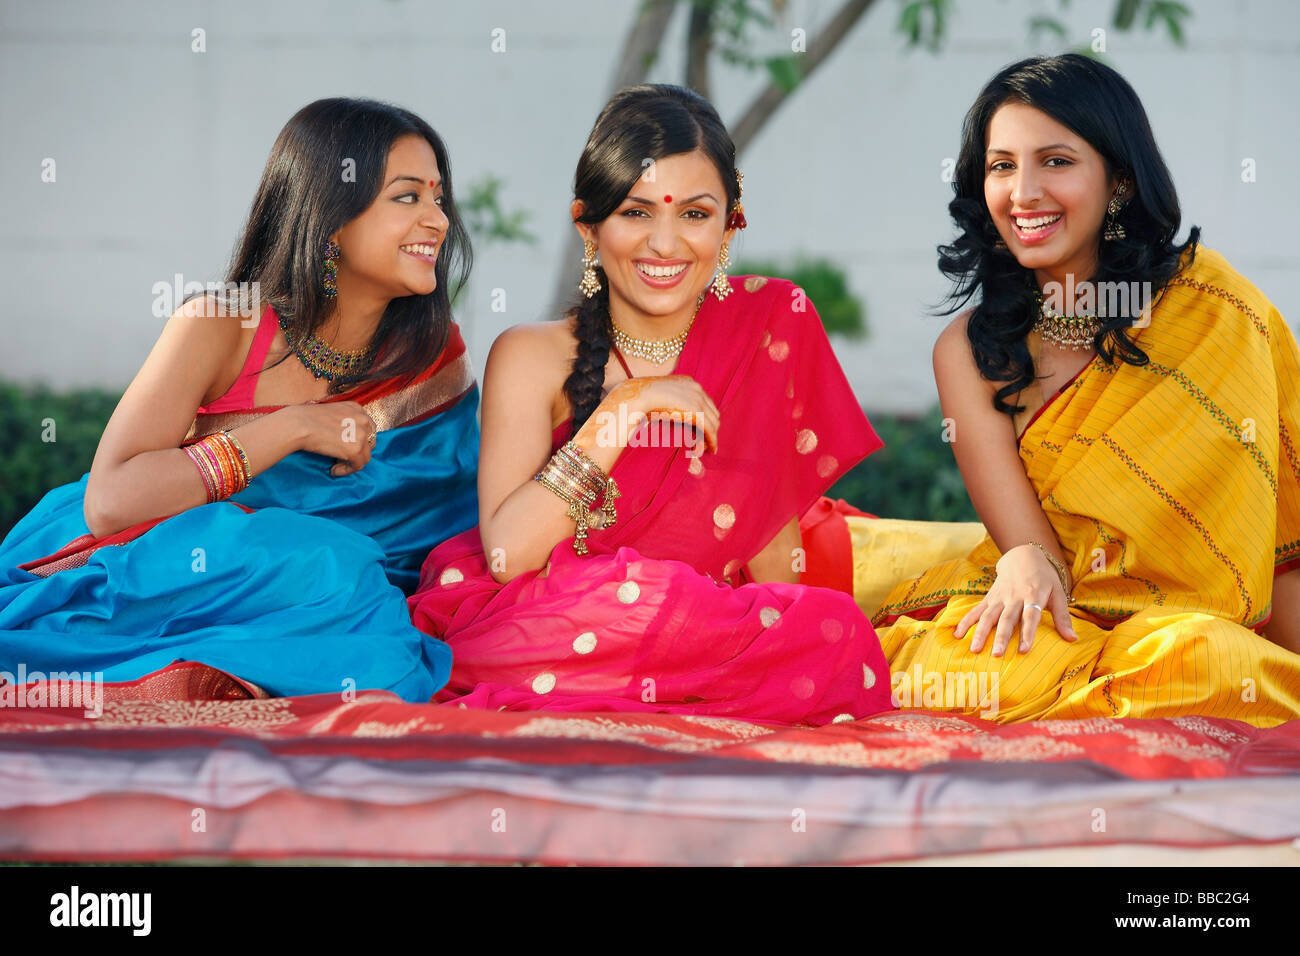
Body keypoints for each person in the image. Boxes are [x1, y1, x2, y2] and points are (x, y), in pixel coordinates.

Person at [407, 84, 894, 726]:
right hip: (561, 619)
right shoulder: (531, 354)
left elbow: (768, 537)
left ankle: (681, 667)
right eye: (637, 213)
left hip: (698, 623)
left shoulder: (770, 323)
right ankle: (670, 668)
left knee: (832, 628)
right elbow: (509, 555)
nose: (665, 244)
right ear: (588, 226)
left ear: (729, 226)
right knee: (635, 597)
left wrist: (792, 628)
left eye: (695, 214)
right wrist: (624, 410)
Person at [861, 55, 1300, 726]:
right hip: (1061, 618)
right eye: (1002, 165)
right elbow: (1034, 556)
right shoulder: (970, 352)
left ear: (1119, 181)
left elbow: (1284, 549)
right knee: (955, 670)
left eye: (1056, 162)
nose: (1023, 193)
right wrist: (1024, 566)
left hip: (1189, 631)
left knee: (1208, 660)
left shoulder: (1212, 307)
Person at [0, 98, 479, 702]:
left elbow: (447, 520)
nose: (437, 218)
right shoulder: (221, 325)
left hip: (332, 596)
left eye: (439, 197)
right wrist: (294, 428)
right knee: (329, 564)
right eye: (408, 196)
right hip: (170, 568)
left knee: (348, 580)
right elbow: (112, 499)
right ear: (330, 217)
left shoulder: (431, 356)